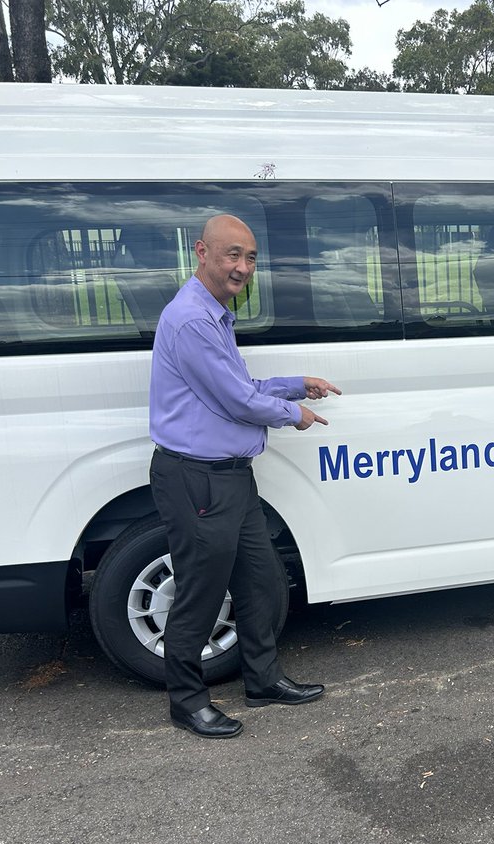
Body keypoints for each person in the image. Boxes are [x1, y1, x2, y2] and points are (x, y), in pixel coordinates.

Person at [148, 213, 340, 739]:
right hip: (198, 479)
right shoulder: (192, 319)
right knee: (200, 592)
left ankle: (263, 680)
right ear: (201, 252)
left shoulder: (213, 315)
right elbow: (236, 401)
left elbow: (241, 385)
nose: (243, 267)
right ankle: (187, 701)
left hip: (230, 477)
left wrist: (295, 384)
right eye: (233, 254)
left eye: (251, 257)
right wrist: (292, 413)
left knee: (258, 580)